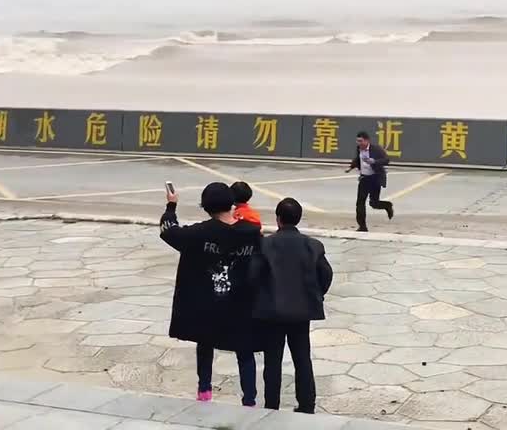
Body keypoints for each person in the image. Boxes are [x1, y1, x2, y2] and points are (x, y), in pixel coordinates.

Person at [160, 181, 262, 406]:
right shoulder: (251, 233)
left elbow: (168, 231)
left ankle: (204, 391)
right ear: (231, 203)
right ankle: (250, 400)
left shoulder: (199, 233)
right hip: (240, 305)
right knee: (245, 351)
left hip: (207, 304)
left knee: (205, 344)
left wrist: (171, 206)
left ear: (205, 206)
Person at [251, 198, 333, 414]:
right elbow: (326, 274)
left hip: (273, 311)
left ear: (278, 219)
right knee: (302, 358)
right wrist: (315, 295)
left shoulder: (265, 244)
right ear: (298, 218)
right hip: (301, 311)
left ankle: (271, 404)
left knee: (273, 361)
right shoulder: (313, 245)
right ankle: (307, 404)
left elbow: (253, 276)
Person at [346, 131, 393, 232]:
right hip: (364, 179)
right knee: (360, 203)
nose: (359, 143)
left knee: (374, 203)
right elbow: (357, 159)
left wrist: (374, 161)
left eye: (361, 141)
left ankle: (387, 205)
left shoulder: (376, 149)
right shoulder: (359, 149)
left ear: (367, 141)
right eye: (357, 141)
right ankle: (362, 226)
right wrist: (351, 167)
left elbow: (386, 160)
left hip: (375, 178)